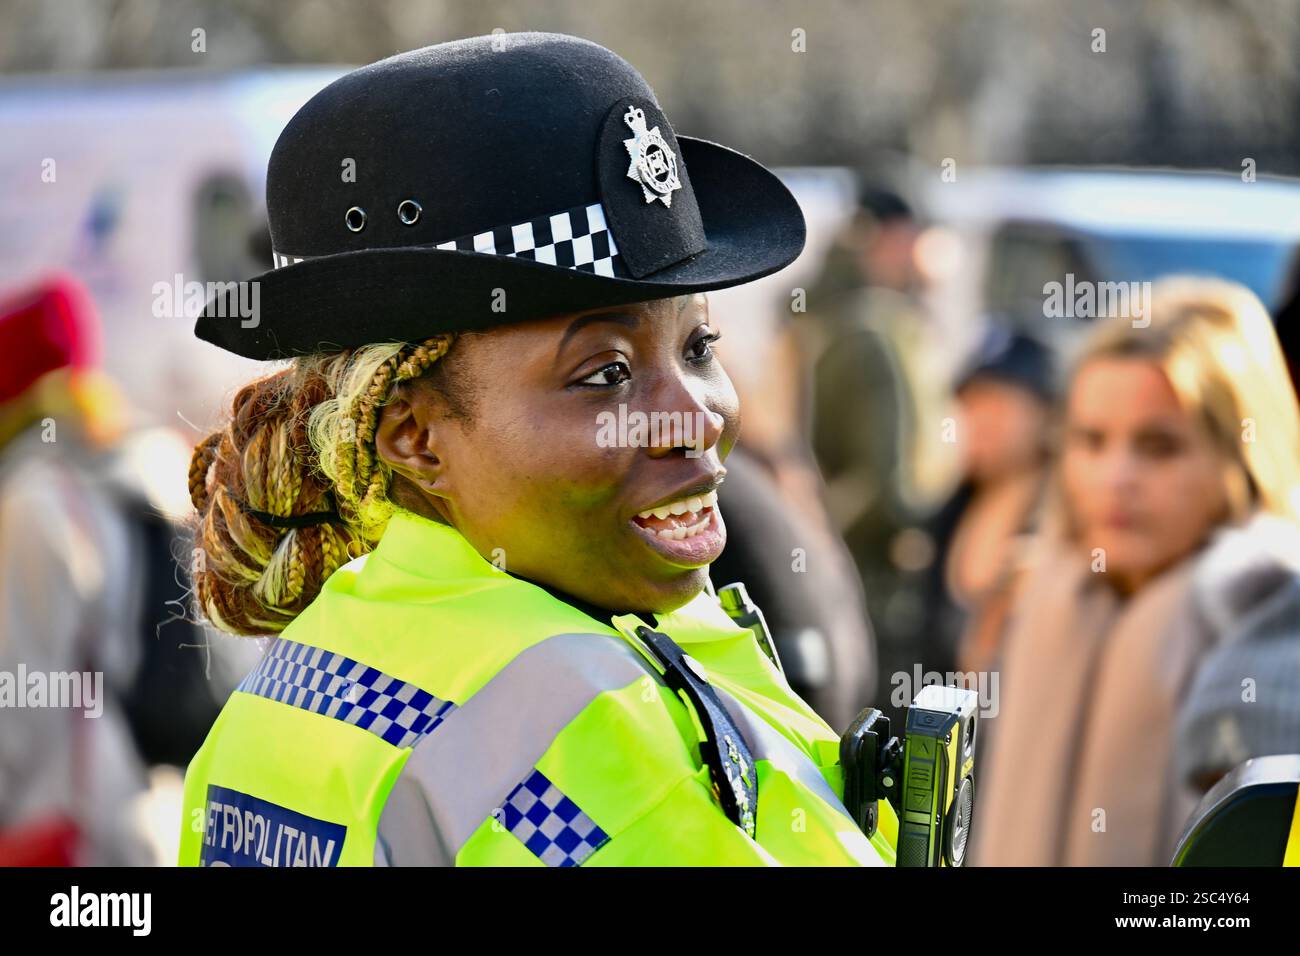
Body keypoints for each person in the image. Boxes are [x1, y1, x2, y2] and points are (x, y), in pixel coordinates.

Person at [177, 33, 898, 867]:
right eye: (606, 375)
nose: (693, 416)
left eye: (700, 348)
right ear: (413, 436)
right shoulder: (587, 726)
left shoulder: (280, 699)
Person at [972, 277, 1300, 866]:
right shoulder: (1037, 591)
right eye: (1091, 441)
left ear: (1240, 455)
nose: (1115, 477)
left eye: (1160, 446)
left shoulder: (1268, 609)